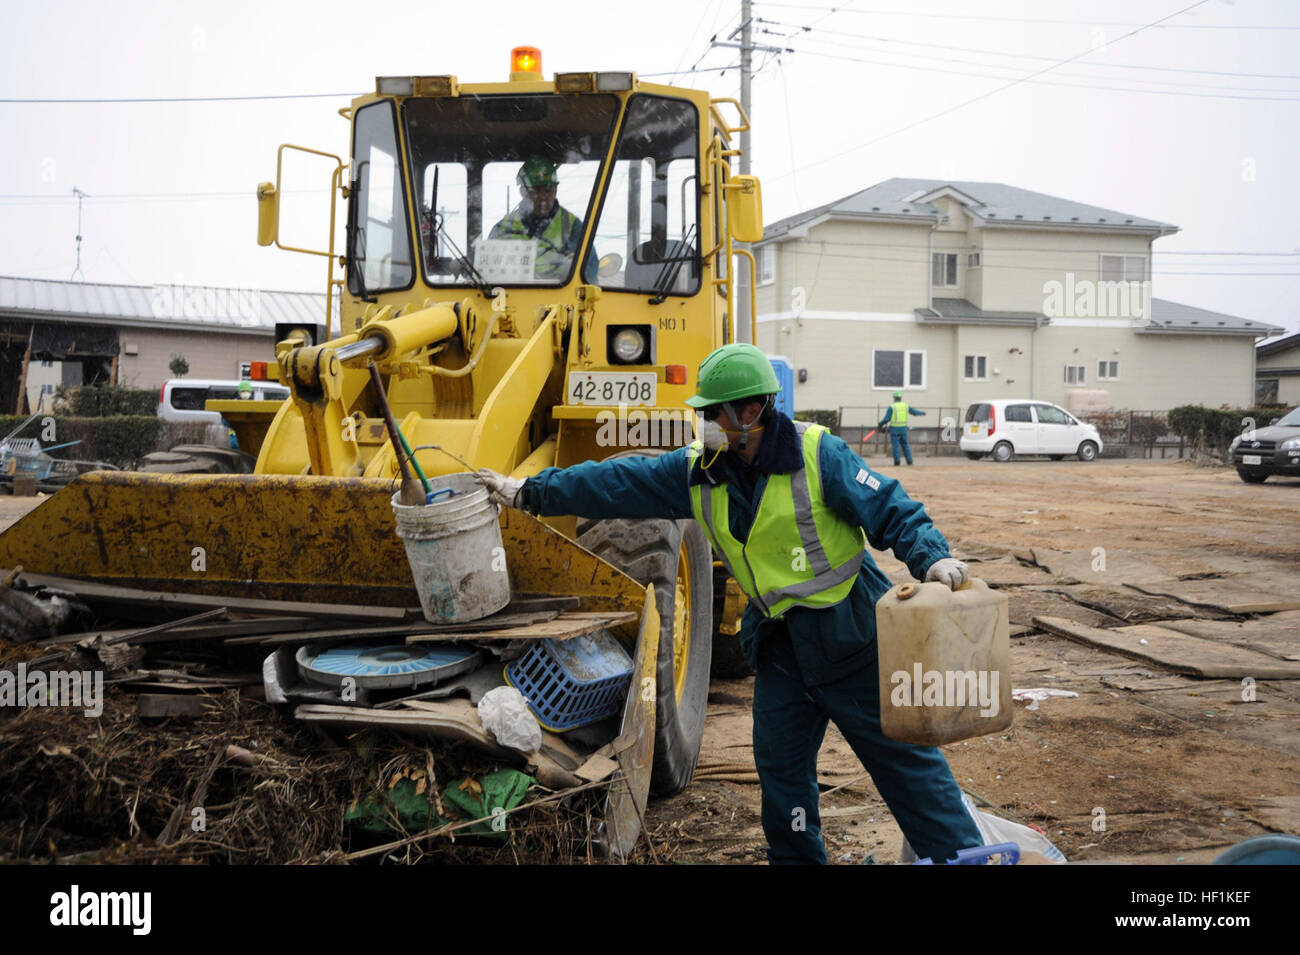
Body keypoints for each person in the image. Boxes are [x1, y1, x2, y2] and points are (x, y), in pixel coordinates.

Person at [476, 343, 983, 865]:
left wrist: (931, 558)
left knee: (906, 765)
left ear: (751, 411)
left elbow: (890, 507)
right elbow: (614, 483)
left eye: (712, 413)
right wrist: (528, 492)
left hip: (852, 640)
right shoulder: (699, 470)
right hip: (780, 647)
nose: (704, 423)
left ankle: (963, 857)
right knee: (782, 778)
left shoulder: (818, 454)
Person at [488, 158, 584, 280]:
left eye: (548, 190)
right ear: (523, 192)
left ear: (556, 190)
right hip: (511, 296)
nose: (543, 197)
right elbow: (486, 265)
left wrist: (573, 269)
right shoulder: (503, 228)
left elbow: (589, 271)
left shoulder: (573, 226)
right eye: (535, 191)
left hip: (559, 296)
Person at [878, 389, 926, 466]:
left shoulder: (892, 407)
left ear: (894, 398)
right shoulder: (905, 406)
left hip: (894, 429)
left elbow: (887, 419)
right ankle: (909, 461)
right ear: (901, 398)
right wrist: (922, 413)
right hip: (903, 429)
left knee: (896, 446)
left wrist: (880, 424)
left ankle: (897, 462)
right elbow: (914, 412)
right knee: (905, 445)